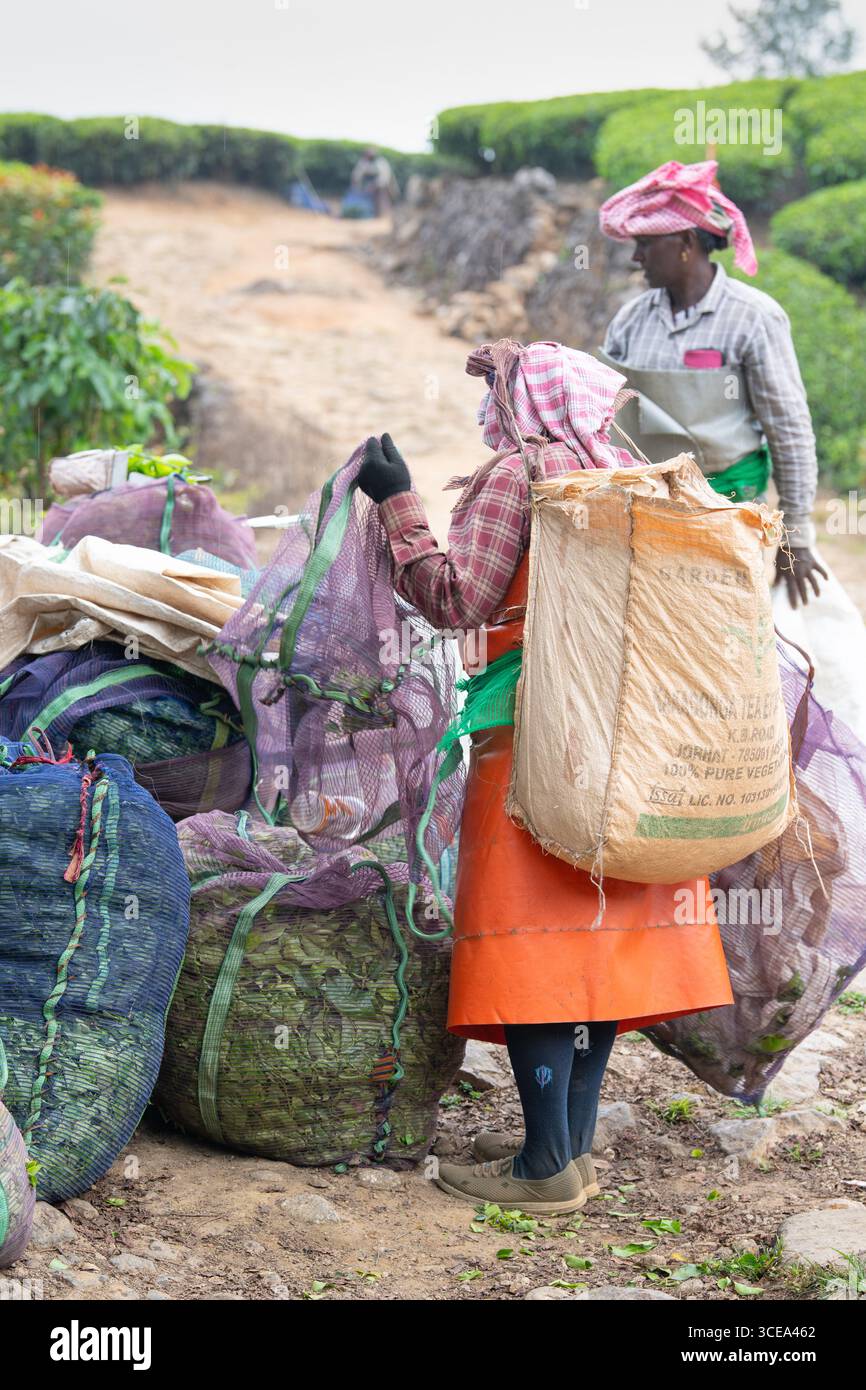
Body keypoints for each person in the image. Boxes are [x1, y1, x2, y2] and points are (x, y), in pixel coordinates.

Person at [356, 339, 734, 1214]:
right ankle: (568, 1135)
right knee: (595, 939)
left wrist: (398, 504)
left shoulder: (519, 475)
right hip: (630, 739)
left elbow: (458, 600)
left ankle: (544, 1167)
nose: (487, 409)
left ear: (523, 402)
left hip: (534, 734)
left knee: (531, 944)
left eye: (495, 391)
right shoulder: (629, 474)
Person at [597, 159, 825, 609]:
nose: (636, 257)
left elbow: (789, 431)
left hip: (729, 522)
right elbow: (606, 418)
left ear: (684, 244)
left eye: (645, 244)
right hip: (644, 524)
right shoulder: (631, 320)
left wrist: (795, 539)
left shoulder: (753, 318)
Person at [349, 146, 399, 218]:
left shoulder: (381, 162)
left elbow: (384, 178)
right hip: (370, 188)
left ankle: (383, 215)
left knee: (381, 200)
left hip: (384, 186)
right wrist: (358, 186)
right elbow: (356, 175)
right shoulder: (364, 162)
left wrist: (373, 186)